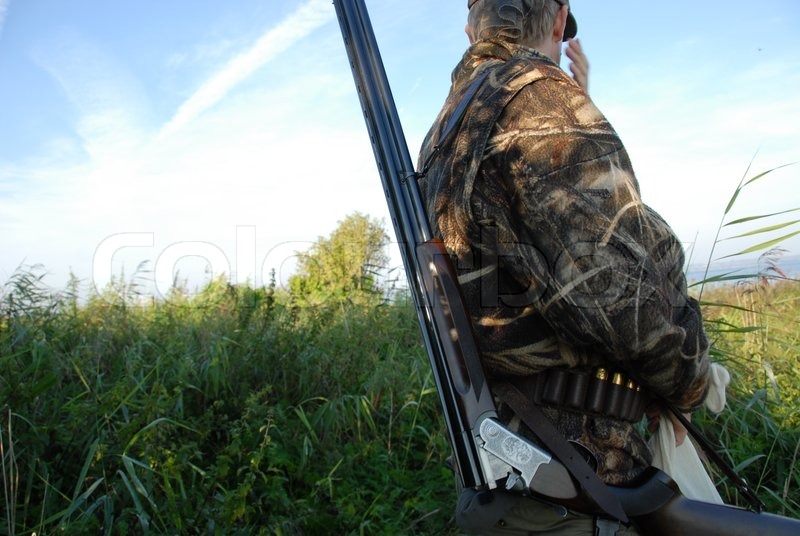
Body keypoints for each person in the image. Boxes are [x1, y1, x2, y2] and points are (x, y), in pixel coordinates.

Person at [417, 0, 711, 534]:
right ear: (558, 18)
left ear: (471, 31)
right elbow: (622, 306)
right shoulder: (540, 102)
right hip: (576, 486)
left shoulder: (444, 132)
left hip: (516, 476)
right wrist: (694, 381)